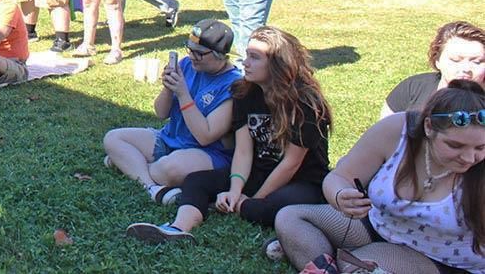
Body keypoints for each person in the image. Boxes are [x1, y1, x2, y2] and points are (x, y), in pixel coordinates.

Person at [126, 27, 332, 244]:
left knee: (277, 206)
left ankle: (249, 214)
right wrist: (235, 190)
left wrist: (253, 199)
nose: (245, 63)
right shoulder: (244, 93)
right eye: (246, 55)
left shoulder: (305, 103)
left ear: (277, 64)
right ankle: (179, 228)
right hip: (258, 171)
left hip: (302, 180)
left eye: (254, 57)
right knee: (196, 181)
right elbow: (243, 151)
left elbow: (291, 163)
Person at [274, 80, 485, 274]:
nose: (469, 157)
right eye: (455, 146)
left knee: (359, 266)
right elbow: (339, 176)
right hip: (381, 226)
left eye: (481, 147)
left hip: (440, 258)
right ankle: (329, 265)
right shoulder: (397, 130)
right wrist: (340, 195)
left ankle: (324, 262)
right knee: (290, 217)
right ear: (428, 127)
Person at [103, 20, 240, 206]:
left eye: (199, 53)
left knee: (170, 169)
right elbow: (161, 113)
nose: (192, 57)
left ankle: (130, 165)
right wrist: (168, 88)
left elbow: (205, 136)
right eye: (189, 49)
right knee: (113, 138)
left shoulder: (233, 85)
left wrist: (183, 93)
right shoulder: (186, 65)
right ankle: (151, 186)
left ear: (221, 55)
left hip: (206, 152)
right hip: (169, 139)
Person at [382, 21, 485, 116]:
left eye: (477, 62)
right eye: (455, 60)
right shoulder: (412, 89)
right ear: (437, 60)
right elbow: (385, 131)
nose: (465, 69)